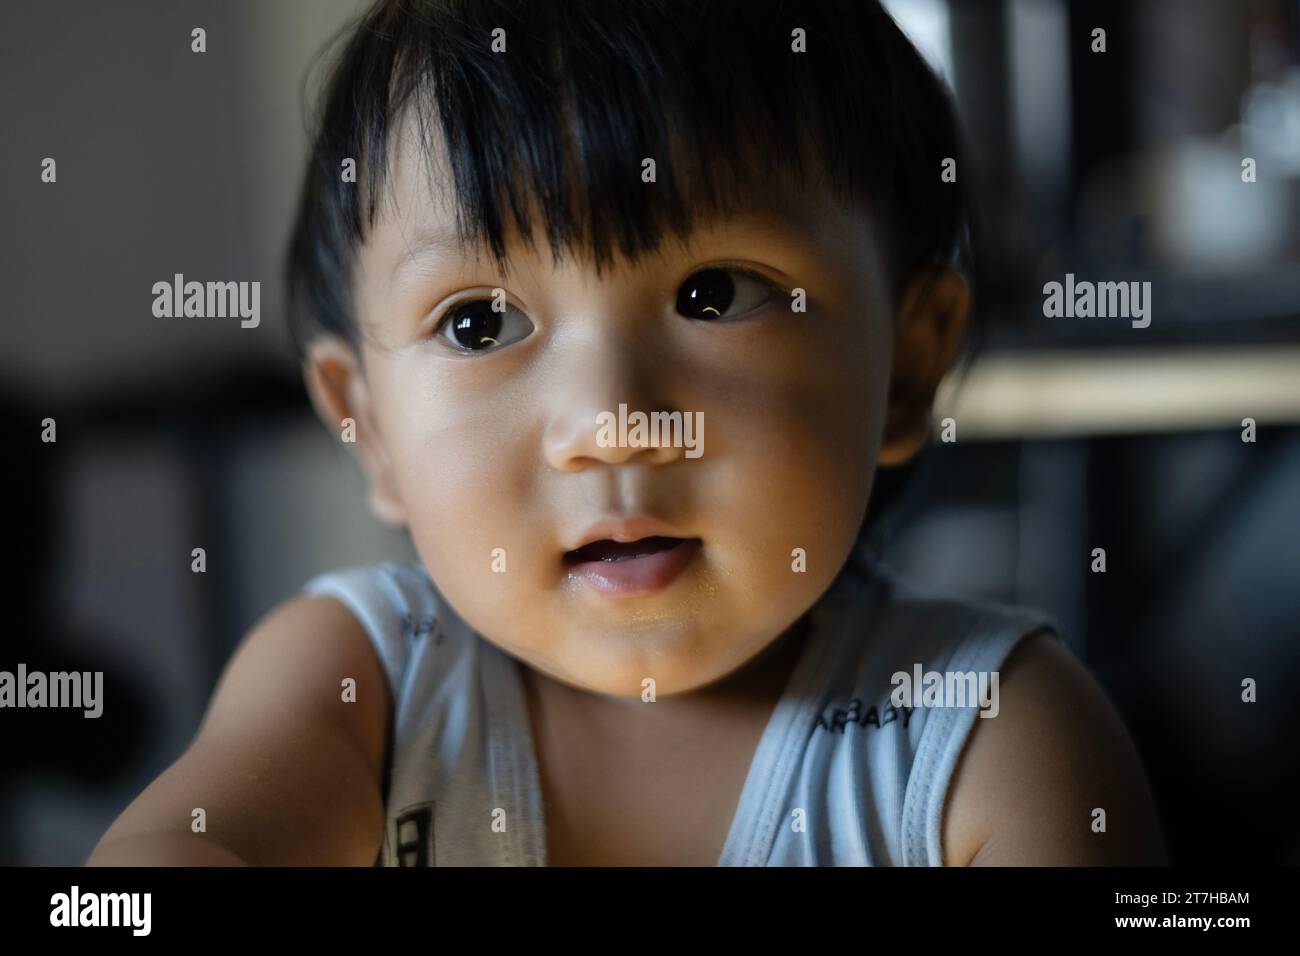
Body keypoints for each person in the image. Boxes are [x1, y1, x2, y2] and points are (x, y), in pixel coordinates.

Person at [88, 0, 1166, 866]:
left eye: (718, 291)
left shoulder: (985, 733)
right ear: (365, 424)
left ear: (907, 366)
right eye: (478, 321)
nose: (611, 423)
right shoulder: (365, 679)